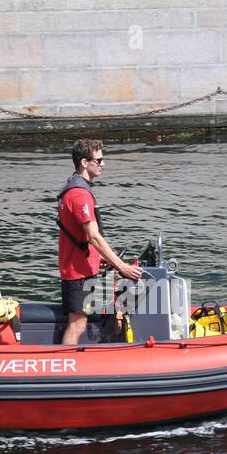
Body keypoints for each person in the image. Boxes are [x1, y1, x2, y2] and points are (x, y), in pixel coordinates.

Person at [57, 139, 143, 346]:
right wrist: (121, 266)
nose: (103, 164)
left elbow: (82, 236)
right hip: (77, 271)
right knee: (77, 324)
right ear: (85, 162)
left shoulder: (72, 185)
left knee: (79, 322)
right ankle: (65, 367)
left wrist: (100, 258)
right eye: (99, 160)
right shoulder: (80, 194)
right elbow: (94, 236)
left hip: (78, 266)